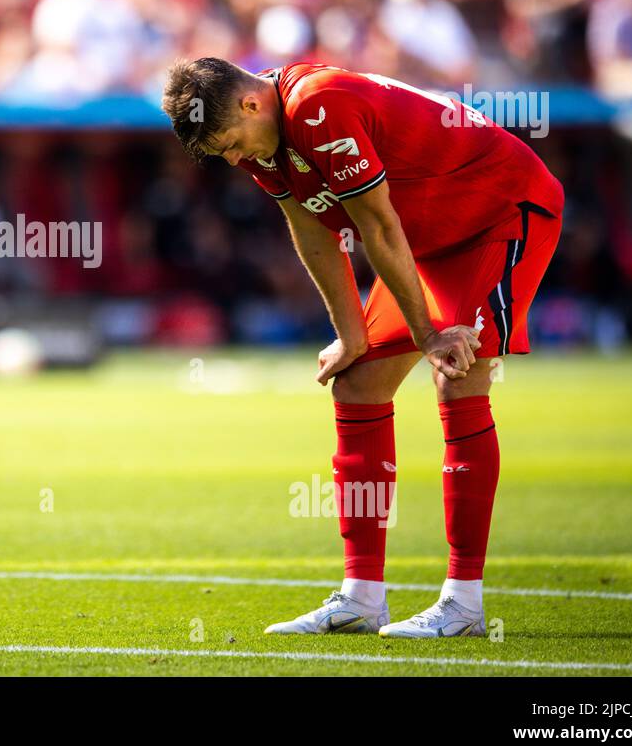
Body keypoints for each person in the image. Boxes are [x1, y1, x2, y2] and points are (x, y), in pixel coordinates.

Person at [162, 58, 564, 637]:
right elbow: (311, 231)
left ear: (250, 104)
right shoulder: (265, 140)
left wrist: (429, 335)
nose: (232, 159)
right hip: (426, 239)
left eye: (228, 144)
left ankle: (465, 603)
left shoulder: (319, 107)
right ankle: (362, 597)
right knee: (359, 381)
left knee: (456, 372)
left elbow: (375, 226)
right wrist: (352, 336)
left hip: (497, 214)